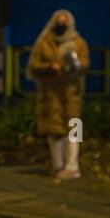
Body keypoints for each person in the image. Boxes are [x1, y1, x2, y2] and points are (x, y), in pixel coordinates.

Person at [26, 9, 91, 179]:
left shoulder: (78, 43)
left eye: (64, 23)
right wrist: (49, 67)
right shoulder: (44, 42)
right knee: (53, 130)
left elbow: (84, 64)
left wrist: (69, 66)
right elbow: (33, 66)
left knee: (74, 128)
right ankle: (57, 164)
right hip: (50, 93)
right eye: (58, 22)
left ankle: (72, 165)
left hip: (72, 93)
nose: (61, 26)